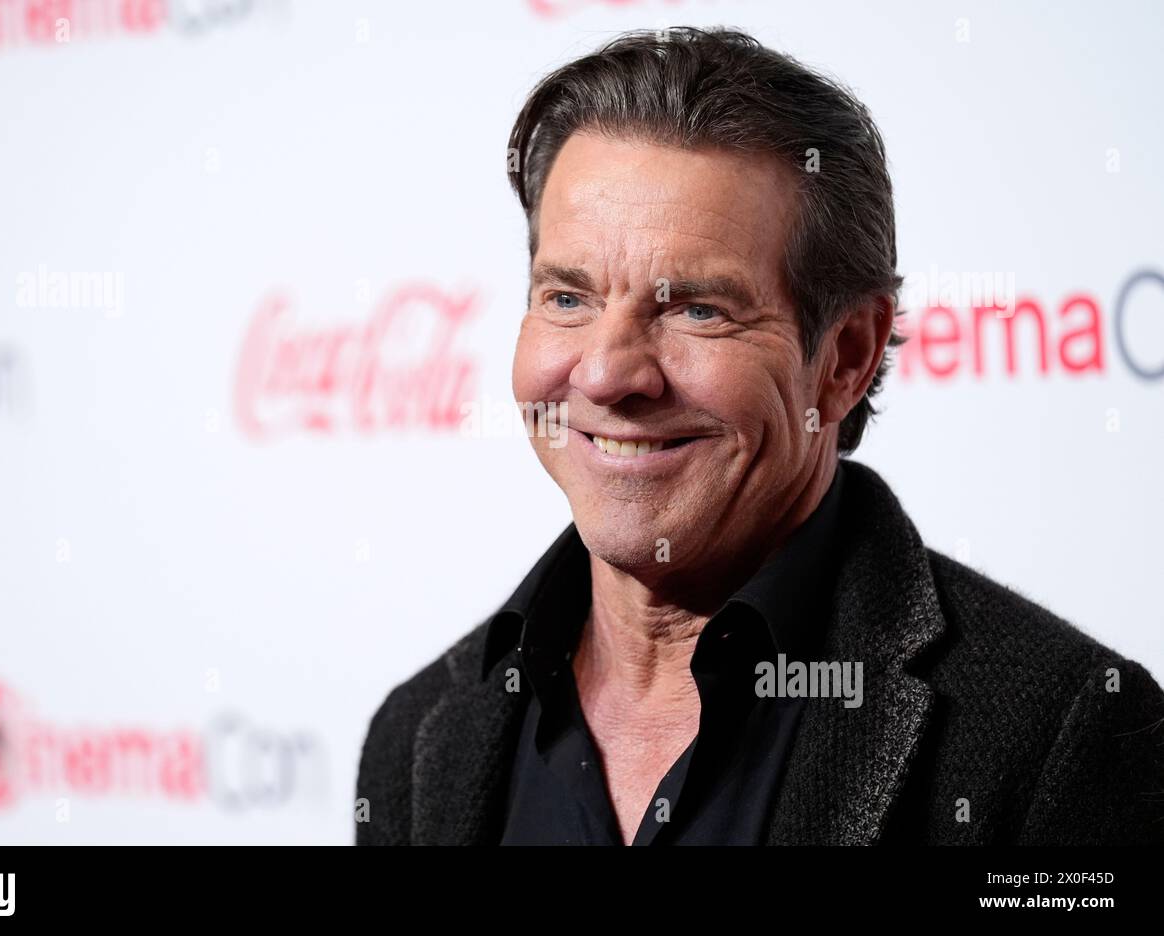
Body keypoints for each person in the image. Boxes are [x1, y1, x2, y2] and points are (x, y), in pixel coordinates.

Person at [354, 26, 1164, 845]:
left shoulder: (1064, 738)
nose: (606, 375)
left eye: (697, 310)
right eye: (568, 298)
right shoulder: (418, 736)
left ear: (846, 357)